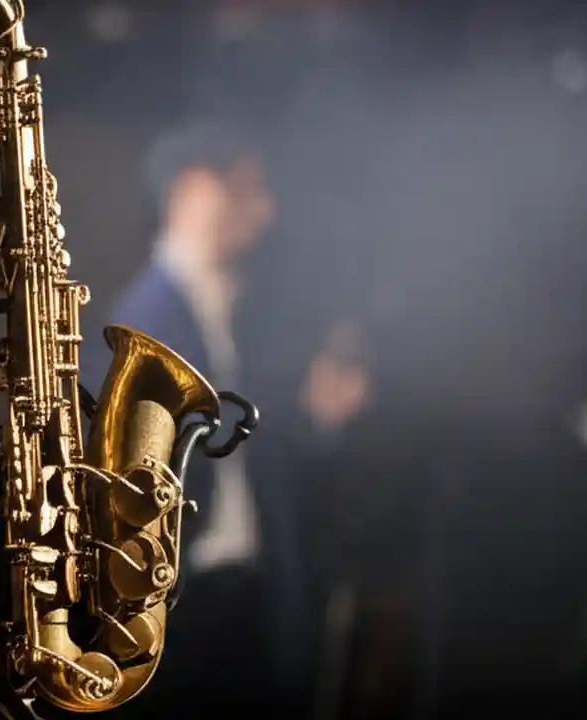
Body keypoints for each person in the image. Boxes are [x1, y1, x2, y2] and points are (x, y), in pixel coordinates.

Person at [81, 119, 371, 714]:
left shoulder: (241, 308)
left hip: (251, 594)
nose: (262, 211)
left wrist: (315, 415)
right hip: (183, 601)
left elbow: (253, 444)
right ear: (192, 189)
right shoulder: (143, 316)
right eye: (244, 190)